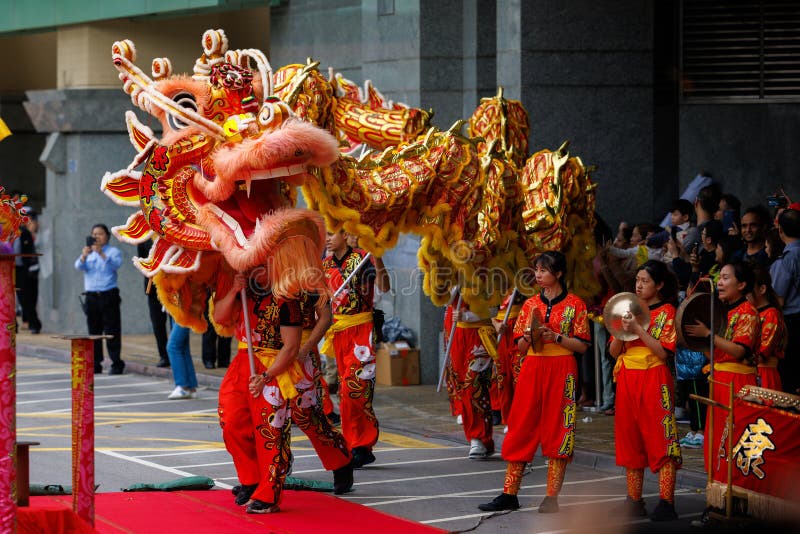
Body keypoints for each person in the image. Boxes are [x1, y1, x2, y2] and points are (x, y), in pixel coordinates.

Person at [215, 270, 353, 513]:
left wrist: (305, 349)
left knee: (306, 417)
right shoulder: (246, 282)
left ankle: (340, 461)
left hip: (296, 356)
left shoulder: (307, 275)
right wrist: (236, 289)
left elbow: (325, 317)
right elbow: (221, 317)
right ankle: (256, 480)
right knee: (245, 422)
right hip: (253, 357)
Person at [479, 251, 590, 513]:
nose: (538, 274)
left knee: (559, 427)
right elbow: (519, 347)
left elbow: (582, 346)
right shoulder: (530, 305)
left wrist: (556, 337)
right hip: (532, 366)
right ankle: (509, 492)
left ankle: (552, 496)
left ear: (559, 273)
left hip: (562, 367)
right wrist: (529, 336)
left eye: (544, 270)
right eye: (537, 269)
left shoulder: (576, 305)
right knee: (521, 424)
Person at [608, 260, 682, 521]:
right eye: (637, 280)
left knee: (662, 437)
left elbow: (663, 352)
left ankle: (666, 501)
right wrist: (621, 331)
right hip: (627, 376)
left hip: (654, 376)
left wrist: (638, 328)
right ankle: (634, 500)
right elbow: (613, 351)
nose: (639, 285)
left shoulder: (667, 311)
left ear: (659, 284)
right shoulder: (626, 308)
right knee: (630, 438)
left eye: (645, 281)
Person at [321, 230, 389, 468]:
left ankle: (362, 442)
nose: (328, 238)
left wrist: (378, 259)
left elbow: (384, 286)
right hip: (339, 333)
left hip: (362, 330)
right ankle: (356, 445)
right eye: (326, 234)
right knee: (344, 391)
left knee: (356, 388)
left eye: (332, 233)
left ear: (345, 233)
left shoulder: (363, 258)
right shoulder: (325, 265)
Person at [684, 261, 759, 475]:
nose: (719, 282)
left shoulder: (748, 312)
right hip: (720, 381)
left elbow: (738, 351)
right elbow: (717, 354)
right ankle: (717, 494)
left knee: (735, 437)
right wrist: (697, 342)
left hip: (739, 385)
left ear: (742, 284)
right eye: (720, 278)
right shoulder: (722, 313)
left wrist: (707, 334)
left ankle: (736, 496)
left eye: (726, 278)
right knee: (716, 439)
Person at [444, 291, 496, 459]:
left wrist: (469, 316)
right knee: (461, 387)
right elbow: (442, 299)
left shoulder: (491, 271)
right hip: (458, 334)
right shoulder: (451, 271)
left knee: (474, 384)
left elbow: (496, 309)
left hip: (480, 333)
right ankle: (480, 438)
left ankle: (479, 437)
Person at [74, 224, 124, 374]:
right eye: (94, 234)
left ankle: (116, 363)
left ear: (107, 236)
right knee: (94, 332)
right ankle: (96, 363)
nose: (96, 237)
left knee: (111, 330)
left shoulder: (113, 251)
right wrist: (84, 255)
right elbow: (78, 266)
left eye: (100, 234)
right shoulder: (88, 253)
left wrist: (102, 253)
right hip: (91, 297)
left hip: (108, 295)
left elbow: (115, 265)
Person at [770, 208, 800, 394]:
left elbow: (778, 299)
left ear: (780, 230)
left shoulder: (787, 260)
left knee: (788, 377)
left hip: (792, 323)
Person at [749, 268, 785, 391]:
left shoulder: (771, 314)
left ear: (762, 289)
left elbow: (761, 355)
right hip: (751, 371)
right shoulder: (750, 312)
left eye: (748, 289)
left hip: (763, 374)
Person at [137, 240, 169, 368]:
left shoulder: (169, 232)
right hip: (153, 287)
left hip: (171, 286)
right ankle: (164, 356)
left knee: (175, 323)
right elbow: (141, 262)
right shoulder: (144, 238)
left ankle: (175, 353)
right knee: (157, 323)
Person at [14, 207, 41, 334]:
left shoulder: (25, 233)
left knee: (26, 298)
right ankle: (12, 325)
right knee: (12, 298)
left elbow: (30, 252)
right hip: (9, 269)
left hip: (22, 270)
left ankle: (34, 324)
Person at [166, 320, 198, 399]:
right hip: (178, 311)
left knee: (173, 346)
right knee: (182, 347)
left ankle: (183, 387)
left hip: (184, 311)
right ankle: (191, 388)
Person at [202, 297, 231, 369]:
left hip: (226, 292)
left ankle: (224, 360)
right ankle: (209, 359)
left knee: (226, 326)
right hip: (211, 293)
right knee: (209, 329)